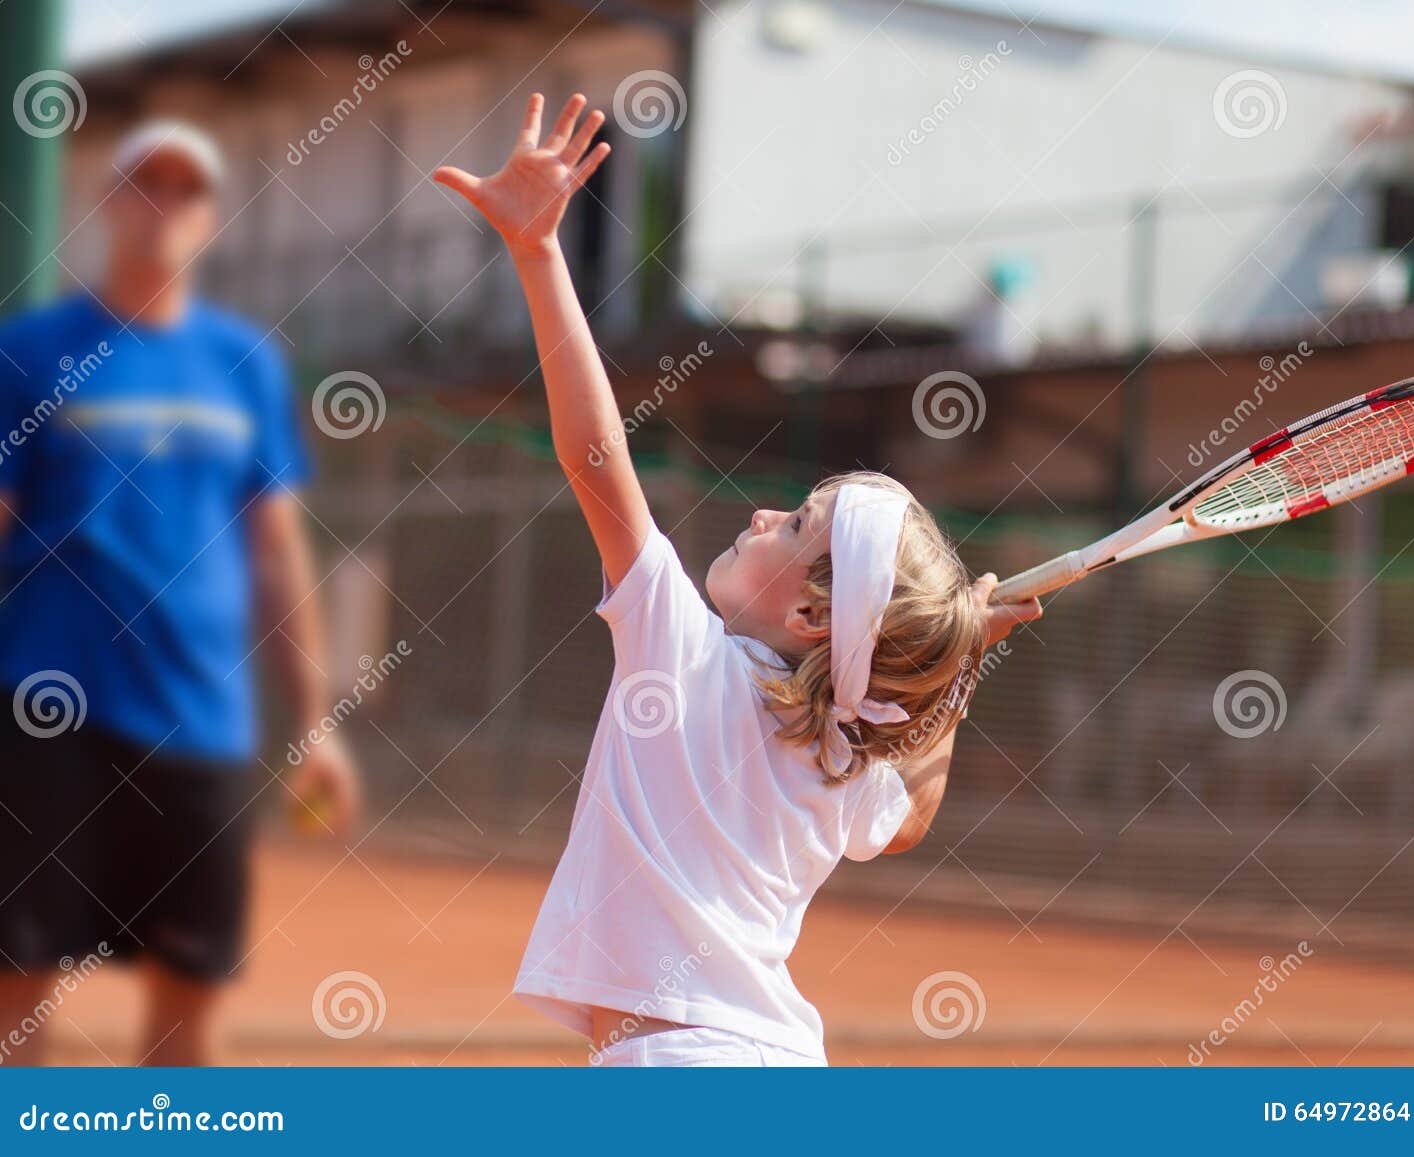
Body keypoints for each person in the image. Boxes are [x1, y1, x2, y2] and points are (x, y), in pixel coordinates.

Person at [433, 93, 1041, 1066]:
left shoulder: (678, 644)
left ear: (809, 610)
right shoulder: (842, 748)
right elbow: (908, 818)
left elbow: (597, 456)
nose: (762, 514)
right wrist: (956, 671)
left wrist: (539, 252)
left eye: (794, 525)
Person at [0, 121, 360, 1066]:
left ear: (209, 215)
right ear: (106, 203)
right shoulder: (31, 351)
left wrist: (315, 718)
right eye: (143, 186)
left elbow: (279, 552)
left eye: (184, 190)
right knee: (16, 983)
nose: (163, 206)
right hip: (47, 713)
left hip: (203, 720)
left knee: (190, 992)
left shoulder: (244, 363)